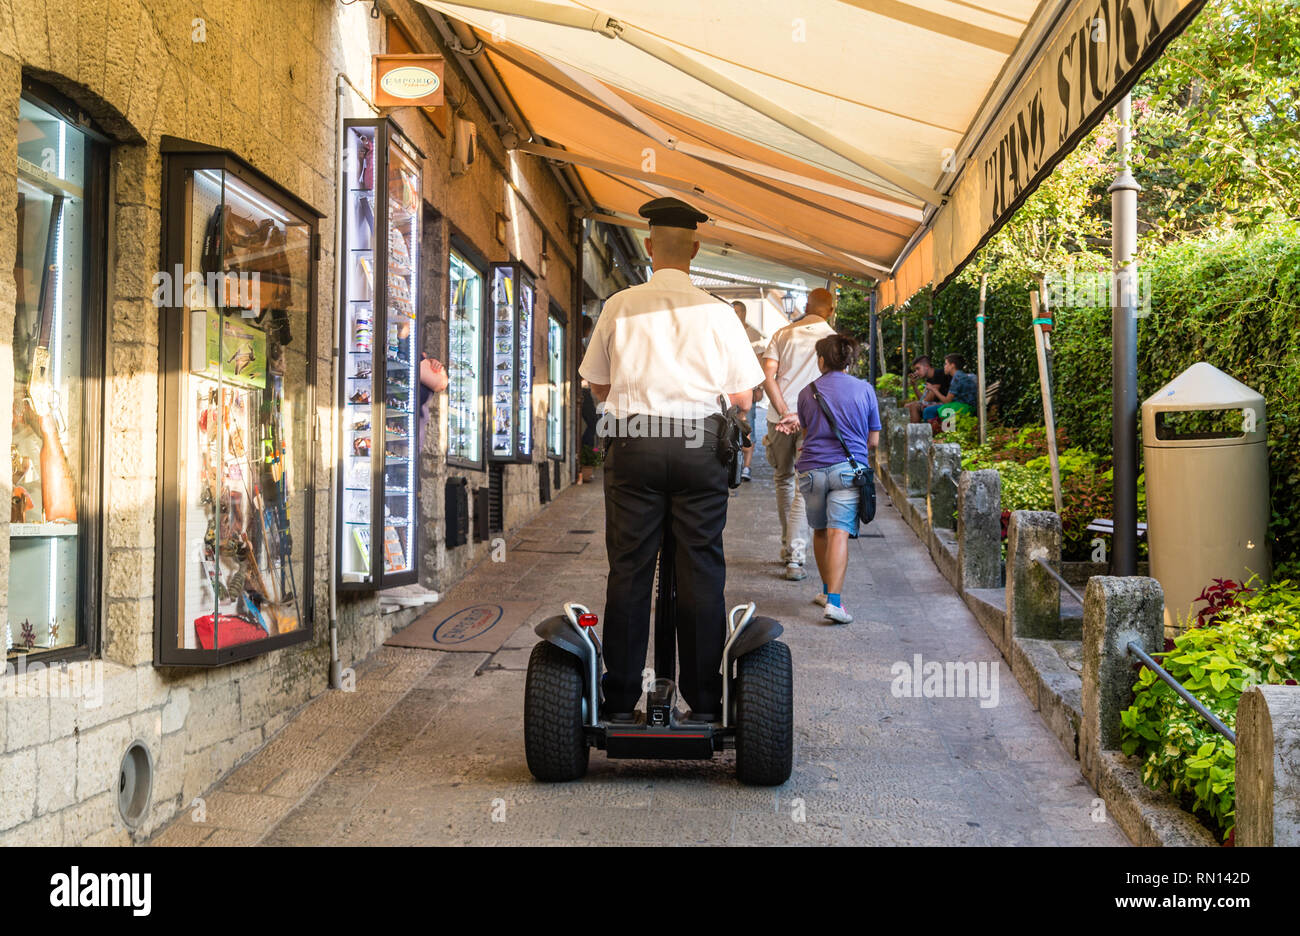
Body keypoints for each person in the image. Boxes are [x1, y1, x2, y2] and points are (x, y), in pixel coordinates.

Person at [579, 196, 763, 724]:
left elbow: (598, 384)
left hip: (634, 441)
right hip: (698, 445)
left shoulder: (619, 304)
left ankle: (617, 704)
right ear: (697, 249)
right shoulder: (718, 312)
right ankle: (704, 704)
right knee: (700, 568)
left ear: (649, 246)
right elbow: (745, 399)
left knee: (631, 570)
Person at [787, 334, 880, 624]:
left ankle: (825, 592)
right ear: (849, 361)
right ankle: (835, 604)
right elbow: (873, 440)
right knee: (839, 532)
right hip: (848, 471)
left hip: (812, 471)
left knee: (820, 530)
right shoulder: (865, 390)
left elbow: (806, 435)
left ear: (822, 360)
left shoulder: (806, 392)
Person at [760, 288, 837, 580]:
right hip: (813, 420)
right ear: (831, 309)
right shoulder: (832, 341)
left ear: (807, 306)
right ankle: (795, 557)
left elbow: (767, 376)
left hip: (777, 418)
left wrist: (783, 412)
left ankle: (786, 546)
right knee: (804, 487)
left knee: (783, 479)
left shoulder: (782, 334)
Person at [732, 300, 764, 482]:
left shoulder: (754, 334)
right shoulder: (726, 332)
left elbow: (760, 363)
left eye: (738, 311)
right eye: (733, 311)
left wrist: (759, 387)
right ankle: (733, 464)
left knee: (748, 425)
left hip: (747, 389)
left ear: (744, 313)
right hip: (728, 389)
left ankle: (746, 467)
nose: (735, 315)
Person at [920, 353, 978, 422]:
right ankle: (937, 429)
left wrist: (933, 389)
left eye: (946, 364)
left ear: (952, 365)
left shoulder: (957, 377)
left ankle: (944, 430)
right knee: (930, 409)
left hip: (966, 408)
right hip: (964, 406)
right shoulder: (959, 375)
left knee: (928, 411)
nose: (944, 366)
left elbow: (947, 401)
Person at [904, 354, 950, 423]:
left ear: (926, 366)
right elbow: (922, 399)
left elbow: (928, 399)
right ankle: (914, 429)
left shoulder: (938, 374)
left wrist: (920, 403)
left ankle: (916, 431)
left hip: (946, 403)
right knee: (907, 406)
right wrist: (914, 385)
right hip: (935, 403)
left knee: (913, 406)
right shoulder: (929, 379)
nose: (916, 372)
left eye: (918, 368)